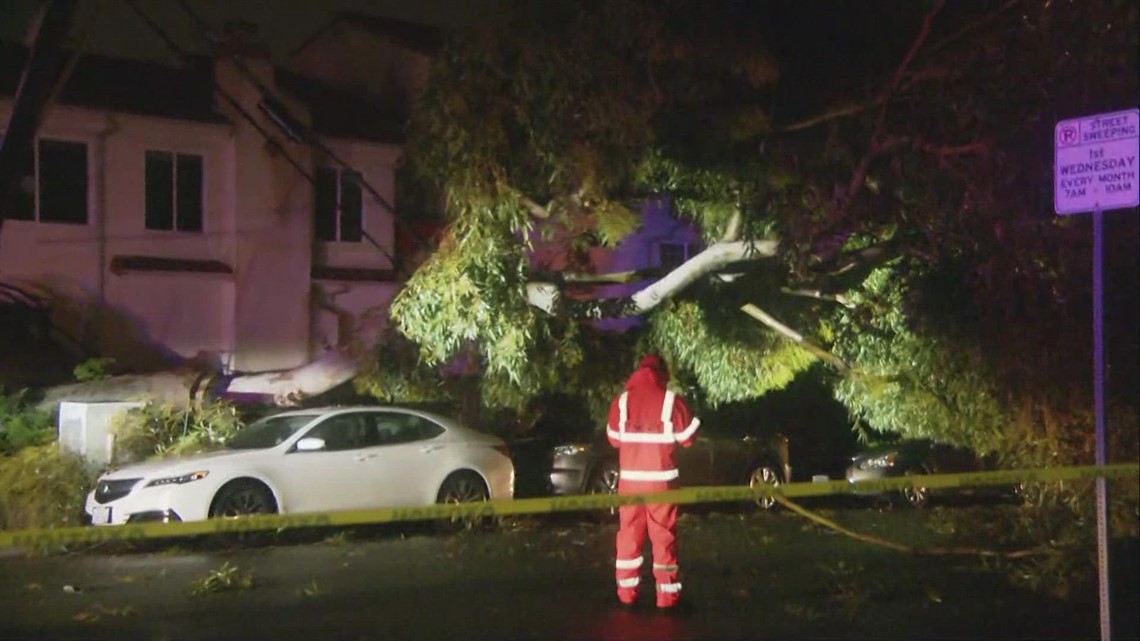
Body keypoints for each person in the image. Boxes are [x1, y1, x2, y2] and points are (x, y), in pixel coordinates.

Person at [606, 354, 699, 610]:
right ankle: (667, 597)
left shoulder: (622, 402)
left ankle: (626, 595)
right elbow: (688, 439)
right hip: (661, 485)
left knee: (628, 536)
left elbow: (613, 439)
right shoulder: (671, 401)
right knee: (663, 538)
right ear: (662, 374)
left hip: (630, 485)